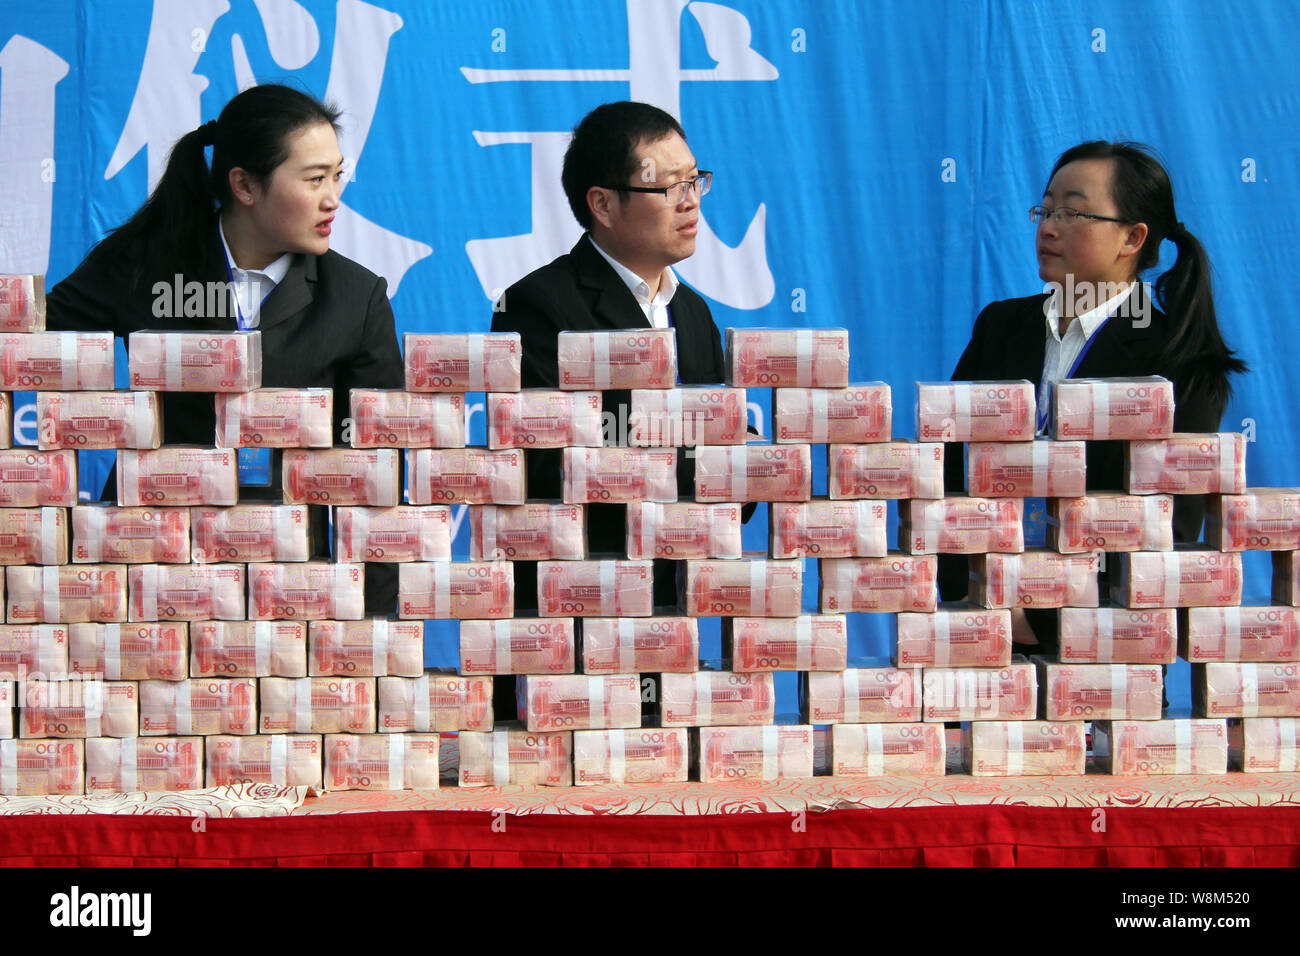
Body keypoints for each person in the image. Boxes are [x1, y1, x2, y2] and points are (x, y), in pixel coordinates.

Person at [45, 83, 403, 614]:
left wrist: (366, 622)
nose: (333, 198)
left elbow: (378, 471)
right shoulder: (144, 266)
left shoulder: (355, 298)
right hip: (151, 566)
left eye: (336, 175)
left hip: (288, 585)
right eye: (313, 179)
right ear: (245, 185)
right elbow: (28, 343)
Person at [939, 141, 1248, 655]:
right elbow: (947, 468)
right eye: (1046, 209)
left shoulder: (1178, 358)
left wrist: (1046, 623)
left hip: (1105, 655)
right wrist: (976, 598)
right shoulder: (1001, 326)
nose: (1049, 226)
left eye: (1074, 212)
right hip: (980, 631)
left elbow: (1171, 528)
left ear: (1132, 237)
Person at [490, 101, 727, 716]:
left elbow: (724, 474)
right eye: (667, 185)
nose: (690, 200)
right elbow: (540, 471)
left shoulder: (695, 315)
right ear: (602, 204)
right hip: (572, 613)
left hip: (672, 611)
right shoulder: (537, 306)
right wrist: (683, 458)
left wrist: (745, 463)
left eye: (694, 179)